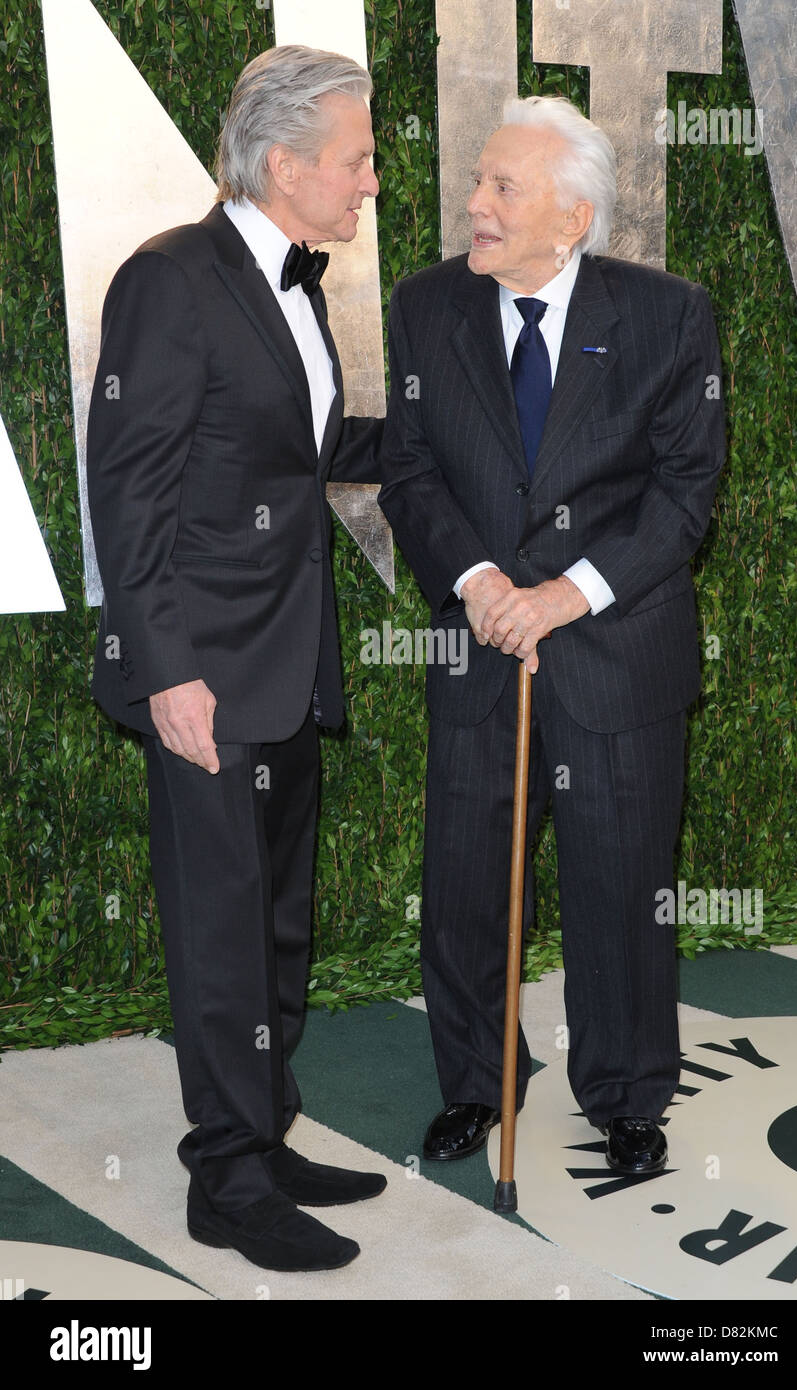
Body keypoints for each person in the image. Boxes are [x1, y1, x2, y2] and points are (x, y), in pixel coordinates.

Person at [379, 95, 725, 1176]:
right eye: (479, 182)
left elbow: (685, 494)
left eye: (500, 188)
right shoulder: (427, 307)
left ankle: (628, 1094)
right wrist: (483, 583)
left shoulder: (669, 318)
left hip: (617, 656)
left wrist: (566, 594)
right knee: (468, 886)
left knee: (622, 885)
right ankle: (477, 1084)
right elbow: (411, 472)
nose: (473, 205)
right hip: (481, 651)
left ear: (572, 216)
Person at [86, 45, 386, 1272]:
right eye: (358, 160)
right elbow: (130, 488)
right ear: (283, 164)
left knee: (274, 922)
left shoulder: (290, 283)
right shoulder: (172, 281)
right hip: (204, 669)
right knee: (220, 931)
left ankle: (265, 1126)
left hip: (285, 657)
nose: (373, 181)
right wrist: (168, 671)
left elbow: (291, 451)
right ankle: (227, 1178)